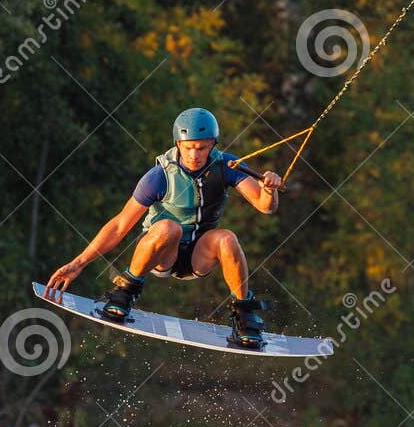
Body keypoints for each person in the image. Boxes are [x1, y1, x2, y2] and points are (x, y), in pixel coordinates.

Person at [45, 107, 283, 348]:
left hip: (199, 256)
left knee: (227, 238)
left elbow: (265, 207)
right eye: (188, 147)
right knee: (169, 228)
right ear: (178, 143)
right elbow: (119, 225)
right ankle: (125, 293)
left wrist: (269, 190)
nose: (194, 155)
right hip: (163, 252)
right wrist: (78, 263)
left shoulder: (228, 166)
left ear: (213, 144)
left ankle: (244, 314)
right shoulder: (159, 175)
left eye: (201, 148)